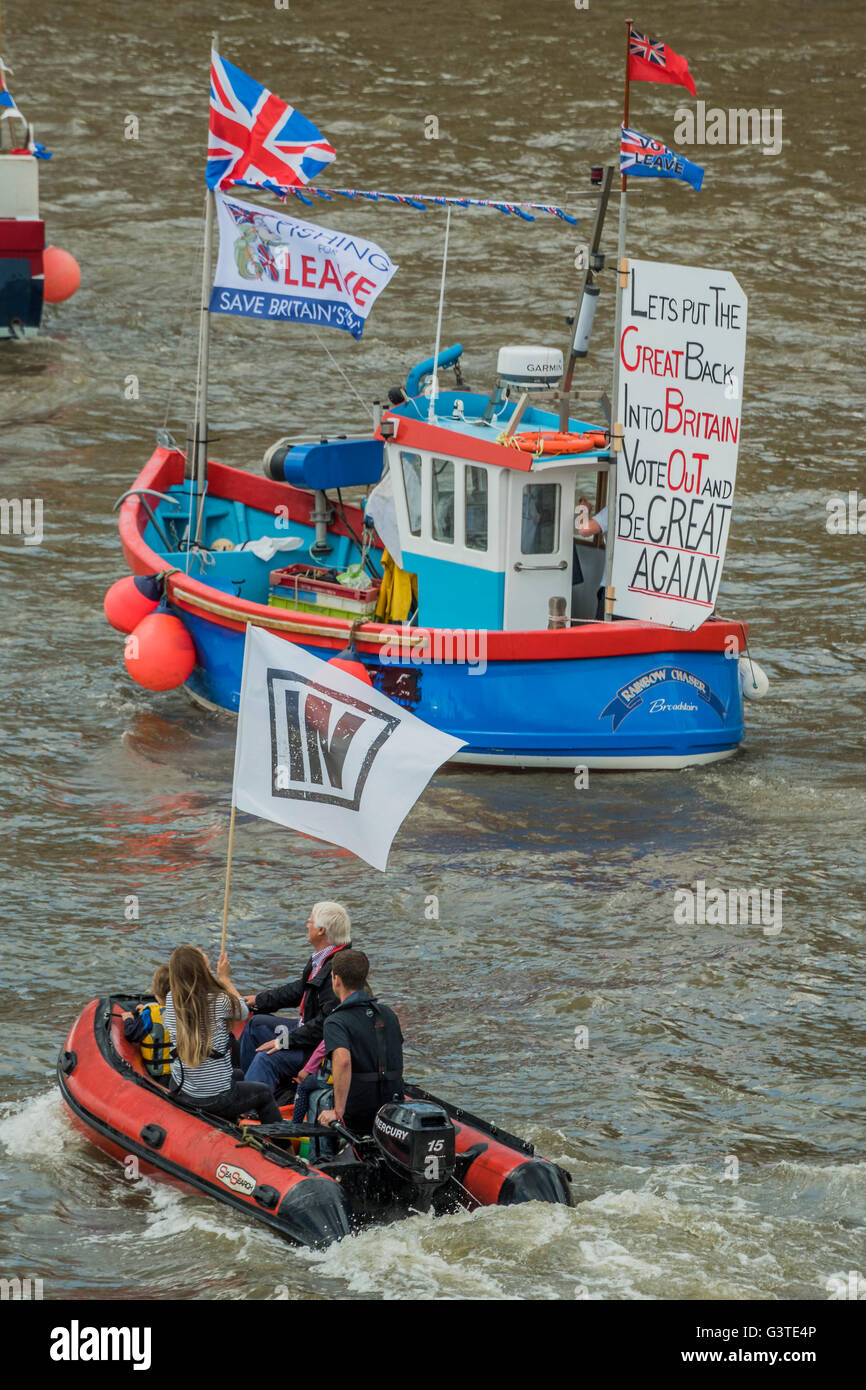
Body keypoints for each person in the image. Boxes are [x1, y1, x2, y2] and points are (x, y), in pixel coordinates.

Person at [162, 945, 281, 1124]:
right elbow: (242, 1012)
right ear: (201, 969)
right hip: (214, 1098)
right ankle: (283, 1146)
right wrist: (225, 979)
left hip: (182, 1088)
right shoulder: (219, 1000)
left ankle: (228, 1122)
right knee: (263, 1093)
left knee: (239, 1075)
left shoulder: (171, 999)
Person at [240, 902, 351, 1095]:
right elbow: (301, 990)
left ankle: (251, 1107)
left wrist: (284, 1041)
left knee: (266, 1058)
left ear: (321, 930)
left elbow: (324, 1026)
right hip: (305, 1028)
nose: (306, 925)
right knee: (256, 1024)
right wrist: (259, 1000)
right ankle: (246, 1084)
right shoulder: (322, 959)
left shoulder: (336, 970)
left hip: (318, 1047)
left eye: (310, 922)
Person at [318, 951, 404, 1136]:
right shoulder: (387, 1014)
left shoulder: (336, 1021)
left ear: (337, 979)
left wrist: (338, 1111)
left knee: (319, 1098)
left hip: (360, 1112)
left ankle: (320, 1158)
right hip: (394, 1105)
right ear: (365, 977)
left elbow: (342, 1061)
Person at [119, 964, 170, 1044]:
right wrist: (145, 1008)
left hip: (157, 1056)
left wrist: (128, 1019)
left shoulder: (149, 1015)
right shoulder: (185, 1012)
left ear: (155, 990)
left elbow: (131, 1034)